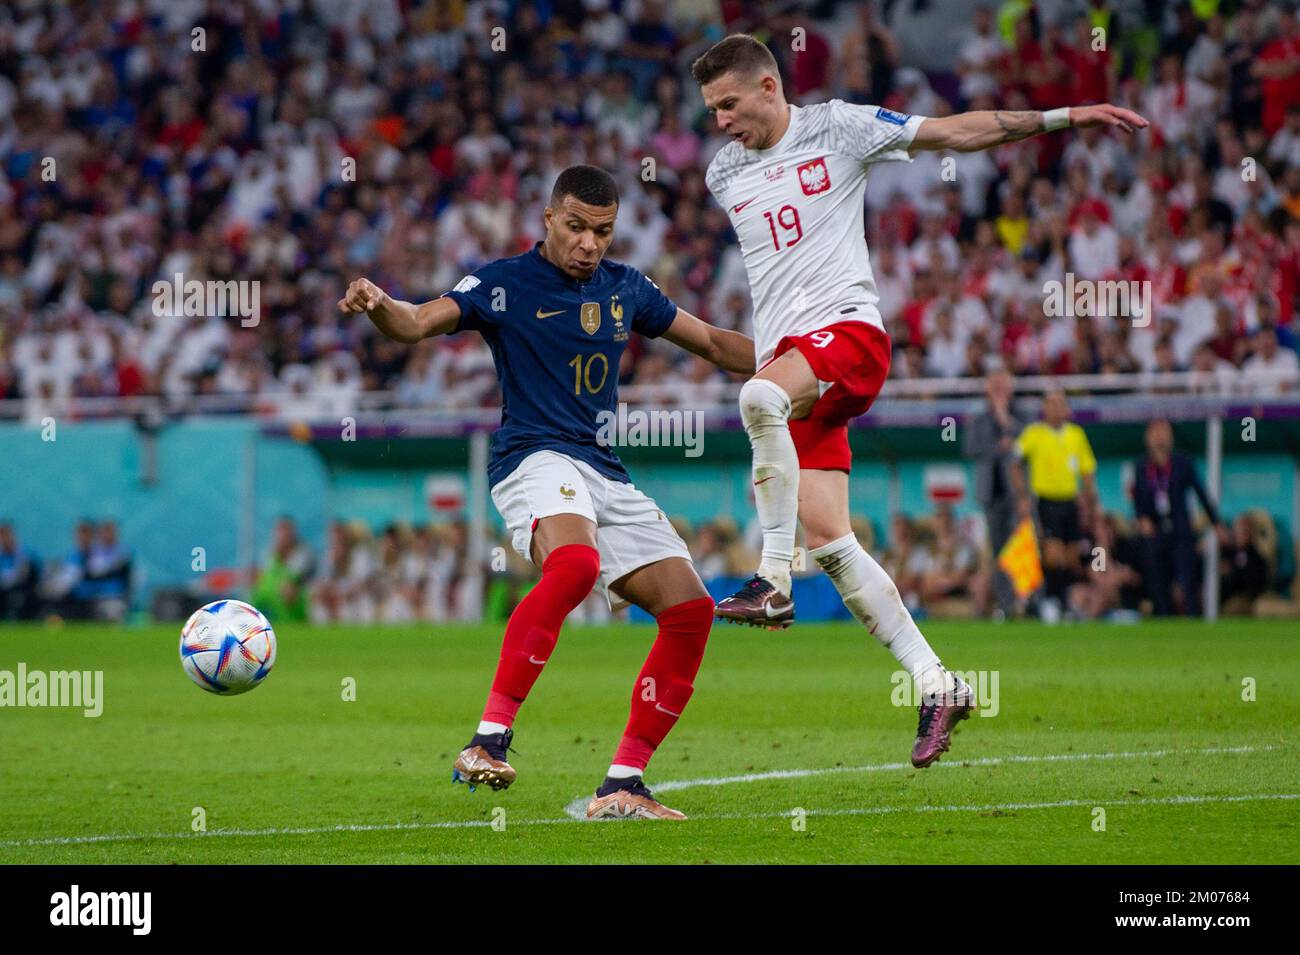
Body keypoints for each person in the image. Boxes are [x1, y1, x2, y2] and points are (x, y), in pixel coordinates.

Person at [692, 31, 1146, 766]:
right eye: (712, 110)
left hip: (850, 338)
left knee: (756, 401)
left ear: (771, 87)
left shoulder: (836, 127)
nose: (721, 122)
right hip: (798, 369)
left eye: (729, 104)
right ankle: (939, 683)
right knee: (835, 545)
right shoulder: (723, 173)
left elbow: (956, 133)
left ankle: (772, 580)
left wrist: (1063, 117)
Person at [338, 165, 755, 820]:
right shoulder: (504, 283)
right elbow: (417, 322)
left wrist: (803, 359)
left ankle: (623, 782)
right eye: (577, 228)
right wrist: (379, 304)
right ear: (548, 220)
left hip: (604, 469)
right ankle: (488, 738)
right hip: (532, 457)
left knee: (689, 610)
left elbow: (711, 342)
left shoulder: (627, 288)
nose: (590, 244)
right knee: (577, 564)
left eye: (604, 232)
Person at [1012, 389, 1098, 614]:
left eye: (1060, 403)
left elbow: (1087, 470)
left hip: (1071, 501)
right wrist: (1022, 495)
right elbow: (1015, 462)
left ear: (1067, 408)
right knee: (1053, 555)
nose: (1056, 408)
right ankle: (1050, 600)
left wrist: (1090, 501)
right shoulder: (1034, 433)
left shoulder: (1076, 434)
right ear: (1044, 408)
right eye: (1051, 403)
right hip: (1047, 502)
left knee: (1071, 556)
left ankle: (1066, 603)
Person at [1131, 419, 1225, 616]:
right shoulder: (1141, 466)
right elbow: (1138, 499)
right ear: (1147, 438)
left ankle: (1191, 620)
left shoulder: (1182, 462)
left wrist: (1216, 523)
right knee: (1158, 579)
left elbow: (1201, 493)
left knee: (1186, 579)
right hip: (1156, 532)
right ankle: (1163, 620)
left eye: (1164, 433)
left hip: (1181, 531)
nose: (1160, 438)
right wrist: (1141, 519)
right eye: (1155, 433)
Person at [964, 368, 1027, 618]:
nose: (999, 391)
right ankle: (1006, 605)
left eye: (1004, 386)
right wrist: (999, 447)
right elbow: (970, 448)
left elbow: (1028, 440)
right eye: (994, 386)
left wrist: (1004, 420)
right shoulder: (978, 418)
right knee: (999, 552)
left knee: (1022, 549)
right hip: (992, 494)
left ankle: (1028, 601)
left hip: (1019, 495)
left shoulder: (1023, 414)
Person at [251, 516, 317, 622]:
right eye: (280, 530)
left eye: (286, 530)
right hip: (270, 590)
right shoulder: (271, 552)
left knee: (286, 591)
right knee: (255, 593)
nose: (283, 535)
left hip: (299, 591)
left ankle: (292, 623)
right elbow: (266, 574)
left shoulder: (303, 551)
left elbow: (296, 577)